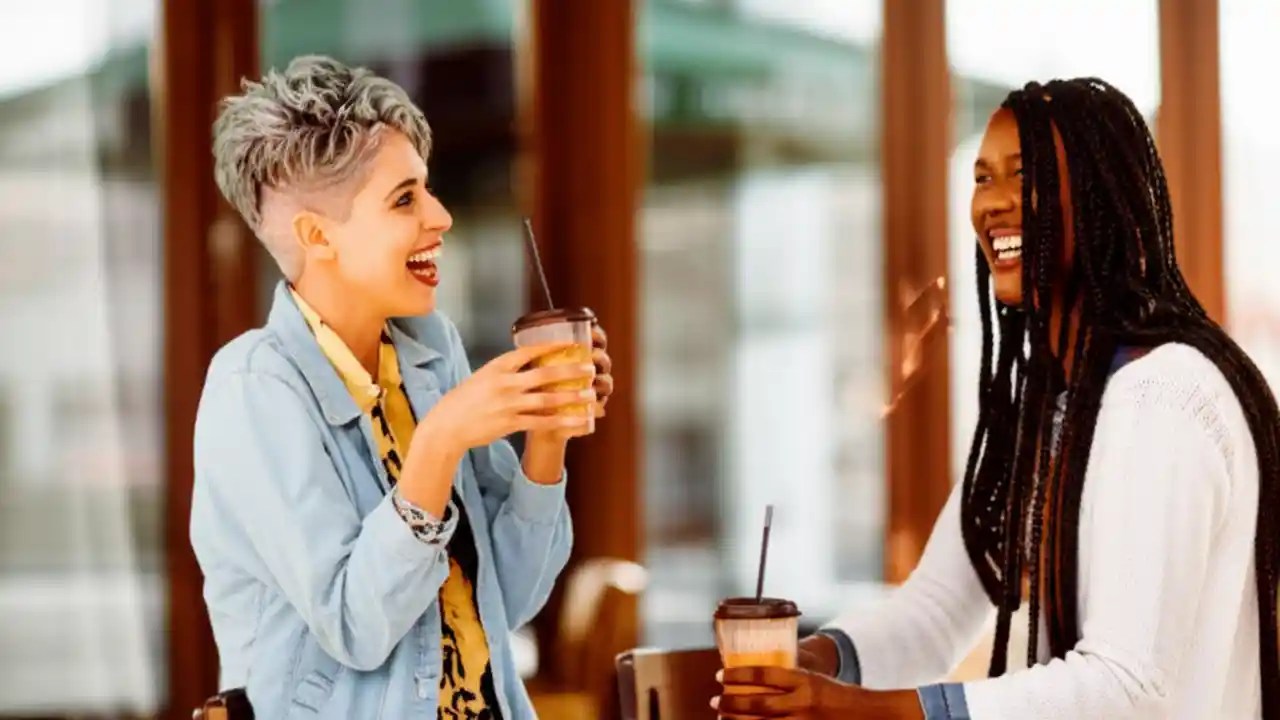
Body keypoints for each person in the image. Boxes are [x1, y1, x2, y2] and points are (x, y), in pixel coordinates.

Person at [715, 78, 1280, 719]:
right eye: (983, 178)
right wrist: (814, 664)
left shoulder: (1163, 396)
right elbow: (935, 611)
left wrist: (870, 711)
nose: (997, 203)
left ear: (1098, 198)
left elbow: (1126, 687)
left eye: (1027, 174)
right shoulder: (1053, 408)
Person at [190, 56, 614, 719]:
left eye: (427, 189)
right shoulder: (254, 389)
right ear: (316, 235)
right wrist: (441, 440)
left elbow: (508, 597)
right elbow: (355, 625)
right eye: (404, 199)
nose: (441, 217)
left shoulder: (430, 350)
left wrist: (546, 437)